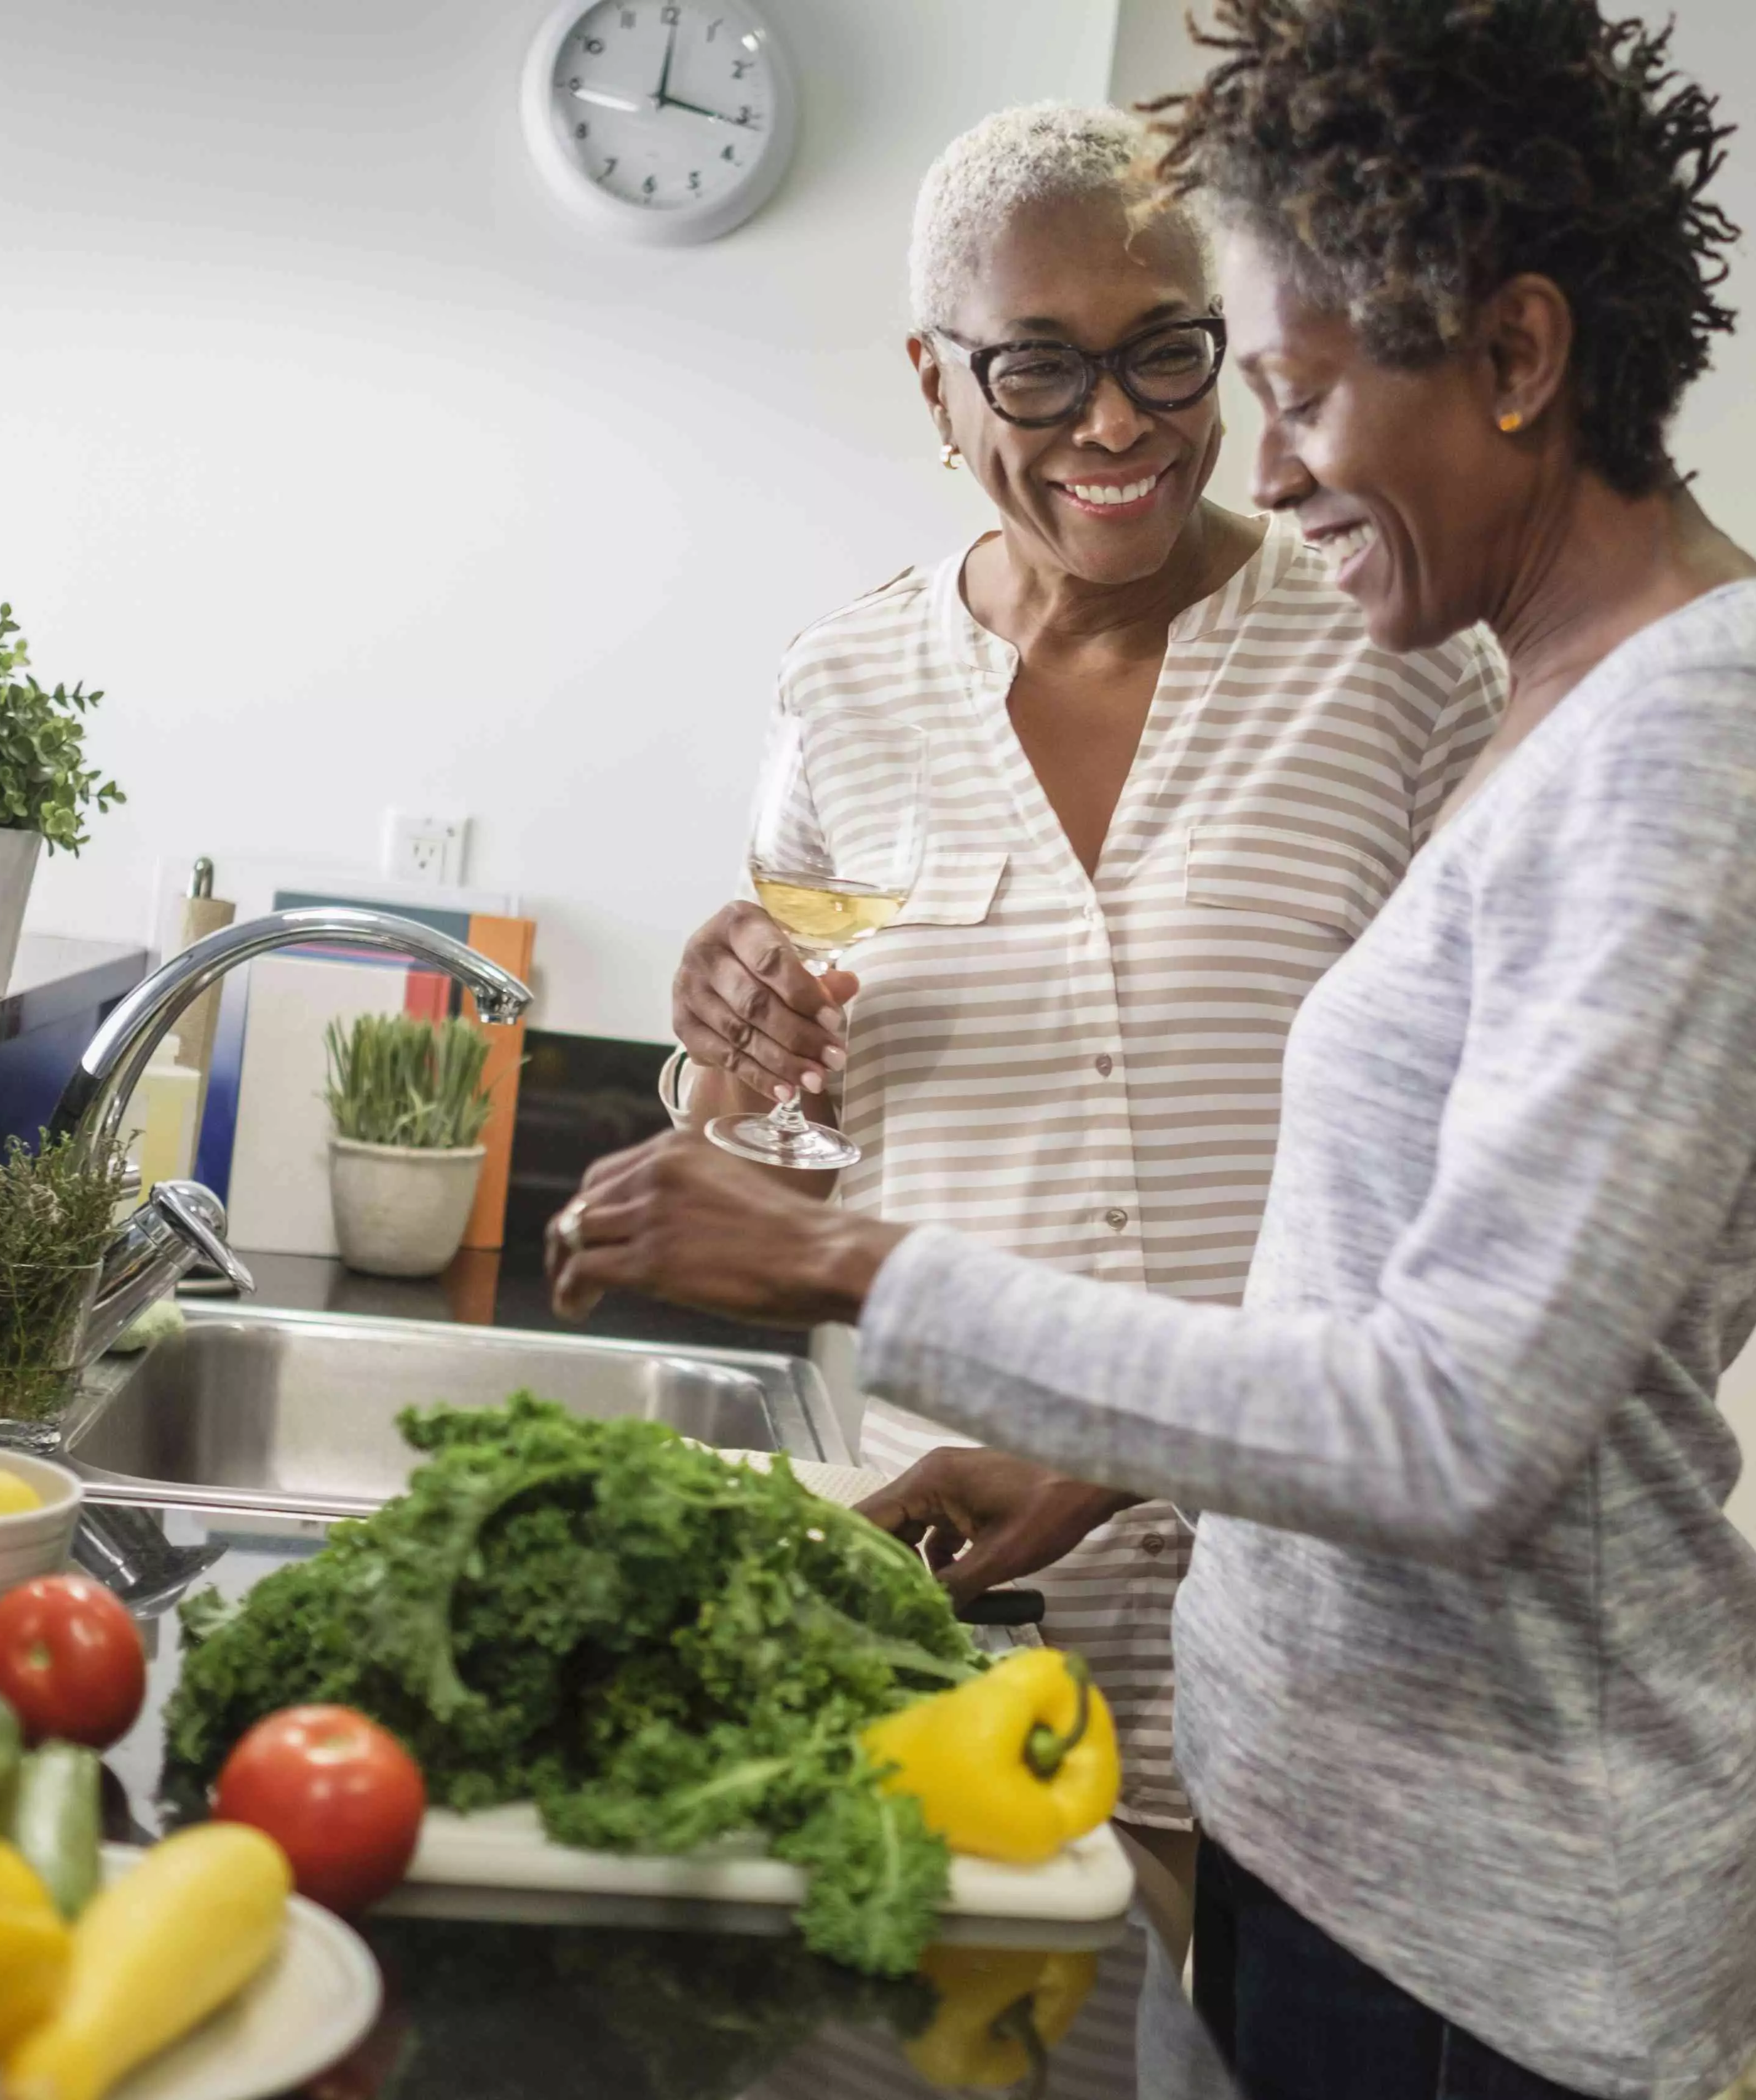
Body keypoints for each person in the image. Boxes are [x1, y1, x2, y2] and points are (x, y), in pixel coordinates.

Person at [553, 4, 1756, 2094]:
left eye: (1281, 388)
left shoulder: (1708, 731)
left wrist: (848, 1266)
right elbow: (1394, 1267)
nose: (1252, 466)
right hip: (1336, 1819)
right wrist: (1090, 1456)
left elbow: (1458, 1426)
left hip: (1496, 1901)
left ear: (1520, 358)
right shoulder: (1570, 698)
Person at [660, 102, 1504, 1901]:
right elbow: (781, 1166)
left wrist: (1125, 1441)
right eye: (1036, 371)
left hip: (1303, 1655)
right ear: (935, 381)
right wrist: (735, 1047)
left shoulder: (1400, 657)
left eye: (1163, 354)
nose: (1113, 426)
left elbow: (1473, 1178)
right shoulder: (845, 686)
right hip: (947, 1630)